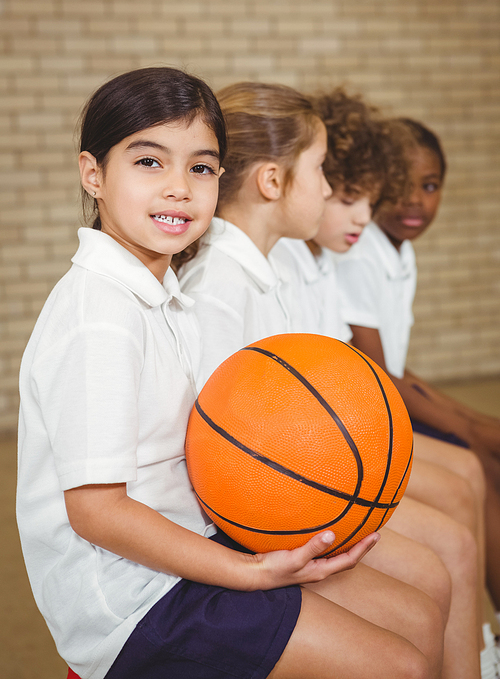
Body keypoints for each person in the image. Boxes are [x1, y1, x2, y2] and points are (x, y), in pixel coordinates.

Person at [16, 68, 441, 679]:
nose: (179, 189)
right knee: (395, 664)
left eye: (201, 167)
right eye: (148, 162)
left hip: (194, 544)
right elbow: (97, 512)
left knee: (414, 614)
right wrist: (252, 570)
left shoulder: (160, 293)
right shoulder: (98, 314)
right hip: (132, 602)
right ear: (93, 175)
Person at [177, 81, 483, 679]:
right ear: (272, 182)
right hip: (263, 513)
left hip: (304, 486)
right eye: (320, 171)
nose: (325, 186)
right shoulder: (220, 284)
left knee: (437, 570)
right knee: (430, 575)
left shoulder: (258, 267)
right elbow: (221, 453)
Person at [268, 89, 490, 679]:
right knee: (462, 505)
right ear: (274, 180)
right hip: (315, 461)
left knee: (467, 480)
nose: (363, 215)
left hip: (338, 435)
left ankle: (473, 649)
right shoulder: (284, 264)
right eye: (345, 194)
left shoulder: (314, 257)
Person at [334, 116, 500, 614]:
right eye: (400, 188)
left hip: (385, 397)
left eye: (429, 187)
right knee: (481, 465)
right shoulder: (361, 255)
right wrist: (474, 431)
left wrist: (477, 422)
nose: (415, 202)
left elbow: (401, 368)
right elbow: (380, 378)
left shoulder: (397, 251)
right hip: (365, 417)